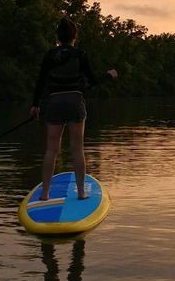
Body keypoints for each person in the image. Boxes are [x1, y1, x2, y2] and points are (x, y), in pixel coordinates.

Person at [31, 17, 117, 201]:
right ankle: (81, 193)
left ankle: (45, 194)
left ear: (58, 36)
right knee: (77, 149)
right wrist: (108, 76)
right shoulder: (80, 54)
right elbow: (93, 81)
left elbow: (40, 81)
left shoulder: (50, 55)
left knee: (51, 149)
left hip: (54, 103)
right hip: (75, 101)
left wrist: (35, 105)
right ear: (74, 36)